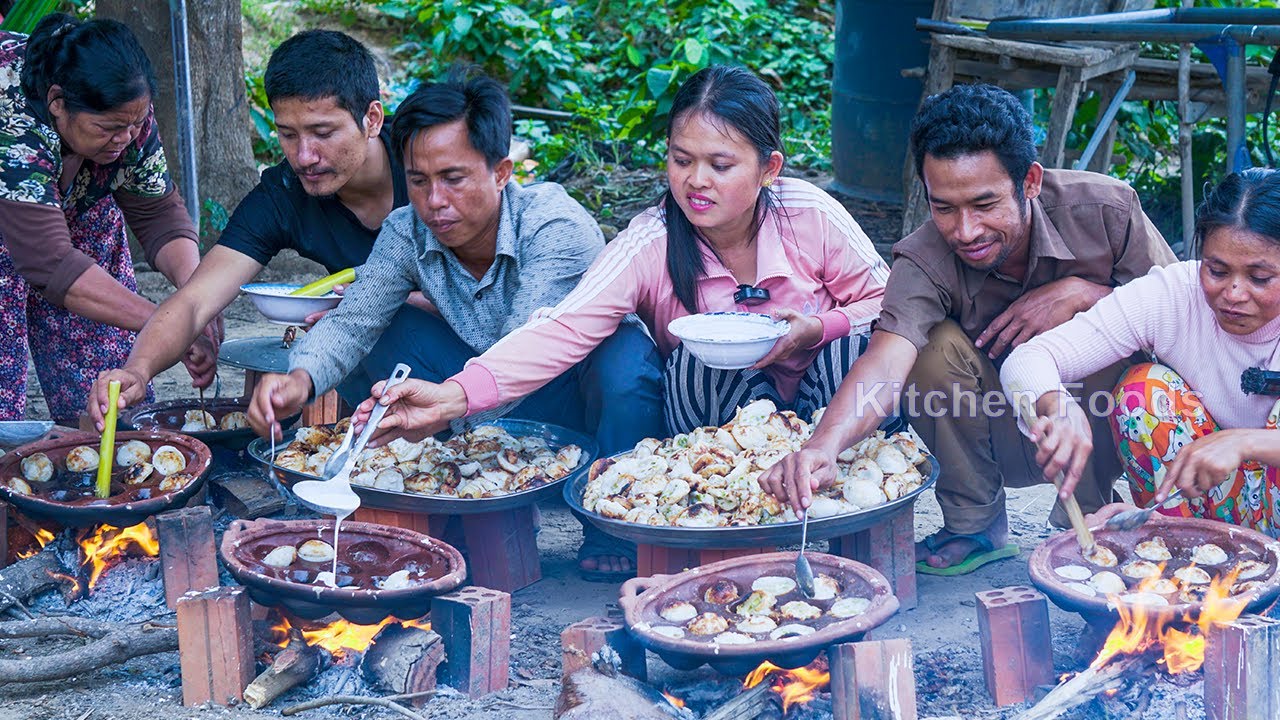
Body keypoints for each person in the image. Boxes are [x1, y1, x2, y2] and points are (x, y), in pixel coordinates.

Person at [343, 65, 890, 490]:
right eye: (681, 160)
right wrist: (452, 397)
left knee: (862, 347)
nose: (696, 181)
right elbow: (562, 327)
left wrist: (820, 328)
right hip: (721, 429)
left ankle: (852, 484)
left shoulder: (809, 213)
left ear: (769, 168)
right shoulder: (651, 241)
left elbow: (893, 306)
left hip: (831, 414)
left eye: (720, 165)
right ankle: (731, 501)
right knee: (693, 367)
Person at [246, 67, 666, 580]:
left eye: (453, 178)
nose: (434, 202)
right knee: (384, 327)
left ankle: (611, 525)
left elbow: (526, 348)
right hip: (465, 398)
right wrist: (300, 379)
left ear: (502, 172)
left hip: (567, 399)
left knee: (625, 358)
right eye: (418, 181)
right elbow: (354, 320)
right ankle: (453, 486)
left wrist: (448, 402)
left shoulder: (555, 226)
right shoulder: (407, 230)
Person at [759, 83, 1177, 575]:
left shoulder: (1108, 211)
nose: (965, 230)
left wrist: (1085, 296)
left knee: (1120, 337)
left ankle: (1090, 519)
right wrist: (821, 448)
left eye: (984, 204)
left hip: (1101, 422)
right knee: (927, 347)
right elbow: (886, 361)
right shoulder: (922, 259)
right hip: (999, 431)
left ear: (1030, 182)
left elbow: (1182, 320)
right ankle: (973, 526)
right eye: (944, 208)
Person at [87, 29, 414, 425]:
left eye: (323, 133)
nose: (304, 156)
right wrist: (138, 370)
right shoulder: (284, 194)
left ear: (372, 119)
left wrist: (388, 300)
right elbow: (195, 301)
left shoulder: (427, 168)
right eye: (287, 134)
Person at [1002, 168, 1280, 536]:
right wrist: (1057, 406)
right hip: (1226, 509)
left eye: (1259, 278)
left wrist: (1244, 442)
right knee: (1143, 392)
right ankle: (1179, 537)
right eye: (1217, 271)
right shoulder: (1175, 294)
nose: (1234, 294)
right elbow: (1028, 360)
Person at [0, 14, 210, 424]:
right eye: (110, 128)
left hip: (68, 207)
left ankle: (103, 441)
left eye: (135, 124)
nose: (126, 138)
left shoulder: (125, 111)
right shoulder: (13, 118)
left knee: (112, 402)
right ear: (57, 103)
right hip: (15, 214)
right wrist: (169, 324)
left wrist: (199, 294)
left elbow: (157, 211)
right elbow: (49, 263)